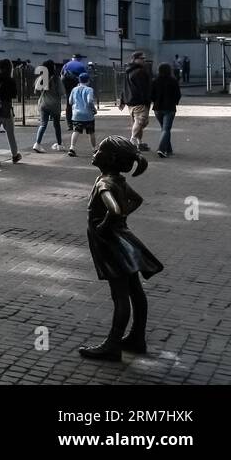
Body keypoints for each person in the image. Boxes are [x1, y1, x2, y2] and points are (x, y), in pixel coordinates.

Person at [78, 137, 162, 360]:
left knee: (120, 295)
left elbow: (113, 210)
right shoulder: (118, 180)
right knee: (135, 289)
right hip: (124, 240)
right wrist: (123, 215)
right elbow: (137, 200)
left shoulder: (104, 183)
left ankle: (113, 344)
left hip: (111, 243)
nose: (95, 151)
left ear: (111, 159)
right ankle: (137, 336)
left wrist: (105, 226)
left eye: (100, 150)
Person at [118, 52, 152, 152]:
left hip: (131, 101)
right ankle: (132, 142)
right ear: (135, 59)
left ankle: (139, 143)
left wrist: (123, 99)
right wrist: (147, 100)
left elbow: (124, 86)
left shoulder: (129, 70)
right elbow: (144, 88)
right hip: (139, 101)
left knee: (137, 122)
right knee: (141, 122)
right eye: (142, 58)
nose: (144, 60)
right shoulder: (140, 72)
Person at [150, 63, 182, 159]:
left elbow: (151, 95)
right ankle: (161, 149)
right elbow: (178, 94)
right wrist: (175, 102)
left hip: (158, 108)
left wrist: (155, 101)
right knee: (166, 129)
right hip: (169, 108)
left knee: (164, 129)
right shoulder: (173, 81)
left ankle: (169, 149)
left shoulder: (155, 81)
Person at [32, 60, 64, 153]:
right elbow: (61, 92)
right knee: (56, 125)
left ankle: (37, 144)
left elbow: (36, 90)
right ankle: (59, 144)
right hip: (54, 104)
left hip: (43, 103)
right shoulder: (56, 79)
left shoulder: (41, 78)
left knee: (43, 124)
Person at [67, 71, 99, 158]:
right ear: (88, 81)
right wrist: (94, 109)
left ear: (79, 80)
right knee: (91, 132)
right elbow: (89, 101)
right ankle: (94, 149)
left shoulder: (74, 89)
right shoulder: (89, 90)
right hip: (88, 115)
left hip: (77, 114)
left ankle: (72, 148)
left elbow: (70, 101)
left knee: (76, 131)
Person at [61, 53, 87, 123]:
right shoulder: (81, 65)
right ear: (79, 59)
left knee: (68, 103)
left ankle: (69, 123)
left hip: (66, 83)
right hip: (76, 84)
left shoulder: (66, 65)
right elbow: (85, 77)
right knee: (79, 101)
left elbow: (62, 74)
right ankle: (79, 121)